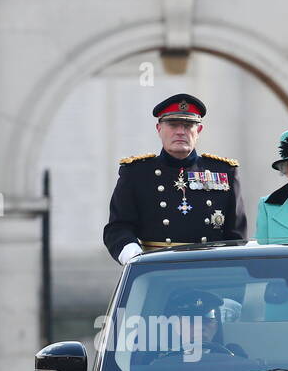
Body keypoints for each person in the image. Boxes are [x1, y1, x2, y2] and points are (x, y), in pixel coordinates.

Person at [104, 93, 247, 263]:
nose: (180, 131)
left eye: (188, 125)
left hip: (210, 270)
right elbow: (118, 227)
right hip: (156, 269)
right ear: (159, 129)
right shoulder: (136, 173)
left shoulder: (224, 172)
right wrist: (134, 257)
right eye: (173, 125)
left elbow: (236, 234)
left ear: (198, 130)